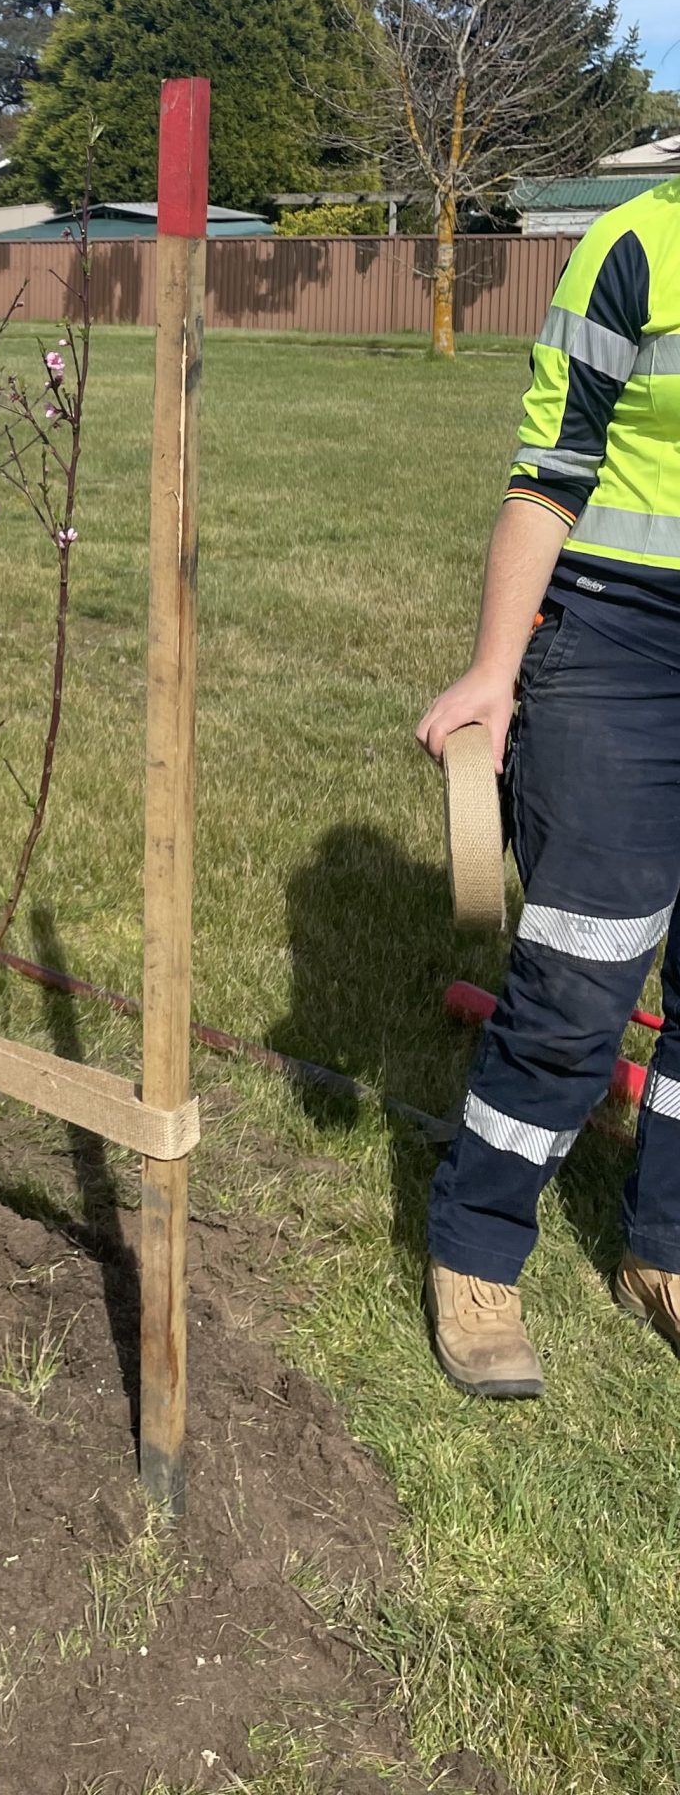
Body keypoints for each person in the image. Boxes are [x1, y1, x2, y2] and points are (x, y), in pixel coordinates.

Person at [418, 179, 680, 1397]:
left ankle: (664, 1247)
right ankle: (476, 1246)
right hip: (620, 642)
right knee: (580, 974)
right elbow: (550, 472)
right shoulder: (637, 247)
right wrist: (494, 669)